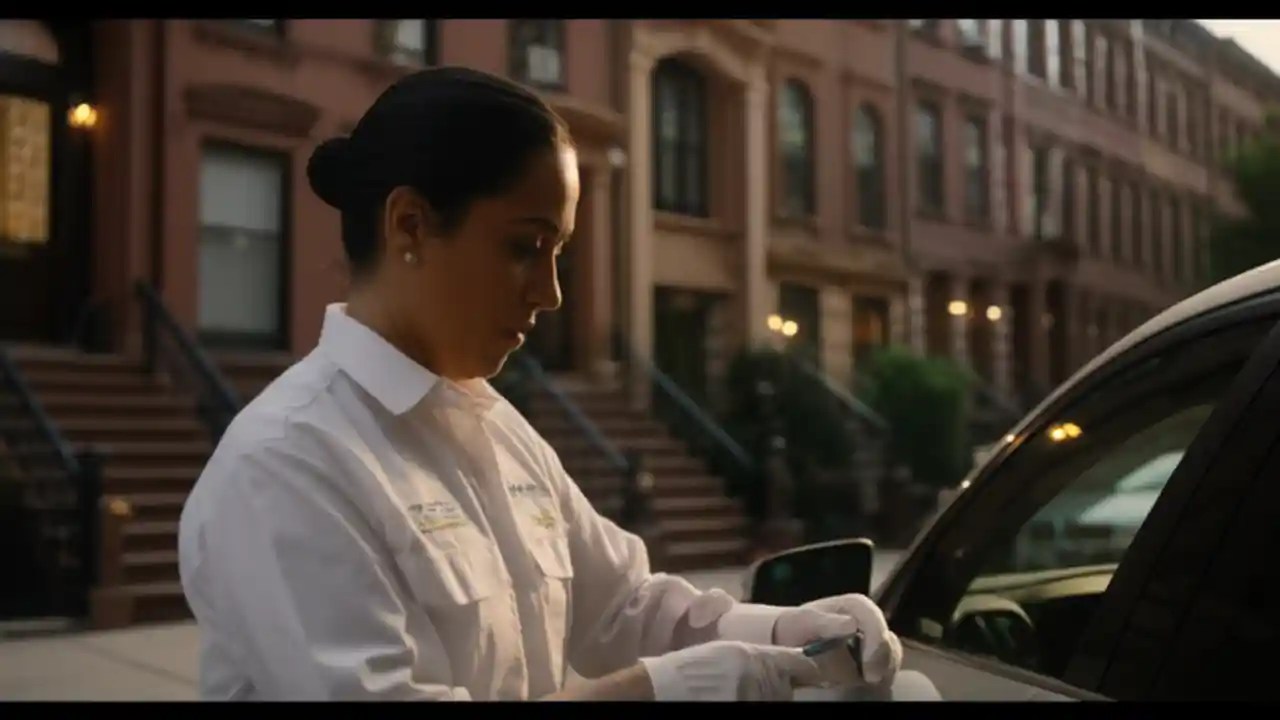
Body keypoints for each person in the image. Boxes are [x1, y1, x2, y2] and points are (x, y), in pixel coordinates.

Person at [177, 66, 903, 702]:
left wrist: (785, 628)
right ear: (411, 226)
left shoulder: (496, 425)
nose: (552, 292)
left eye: (557, 251)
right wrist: (663, 689)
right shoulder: (288, 464)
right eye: (525, 247)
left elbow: (619, 608)